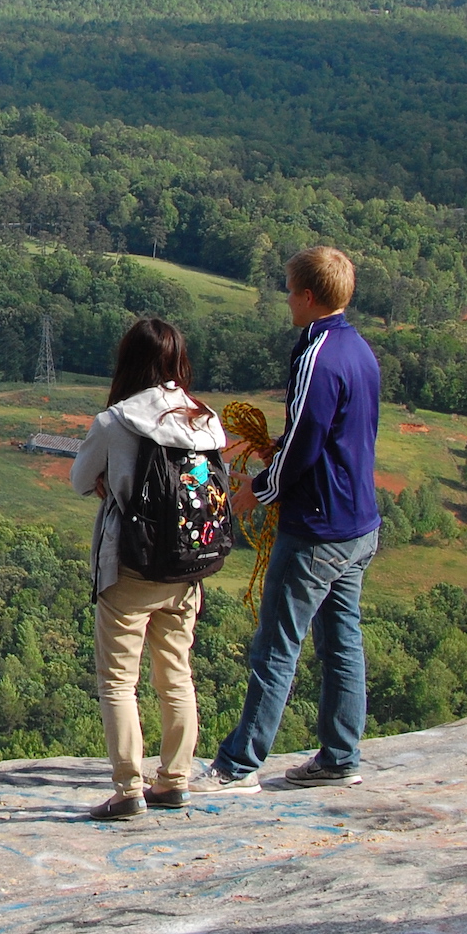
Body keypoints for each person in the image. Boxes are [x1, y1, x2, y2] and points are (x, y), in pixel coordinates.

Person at [192, 245, 381, 795]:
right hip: (357, 522)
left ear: (307, 296)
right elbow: (339, 436)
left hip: (316, 529)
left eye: (290, 291)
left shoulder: (316, 357)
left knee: (276, 646)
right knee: (342, 642)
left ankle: (237, 765)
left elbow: (302, 445)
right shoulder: (359, 350)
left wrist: (259, 490)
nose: (287, 301)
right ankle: (340, 757)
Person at [70, 318, 229, 821]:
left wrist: (108, 482)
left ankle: (127, 789)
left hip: (130, 568)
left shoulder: (115, 421)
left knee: (119, 680)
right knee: (175, 675)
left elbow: (79, 480)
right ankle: (175, 780)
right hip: (186, 569)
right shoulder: (205, 419)